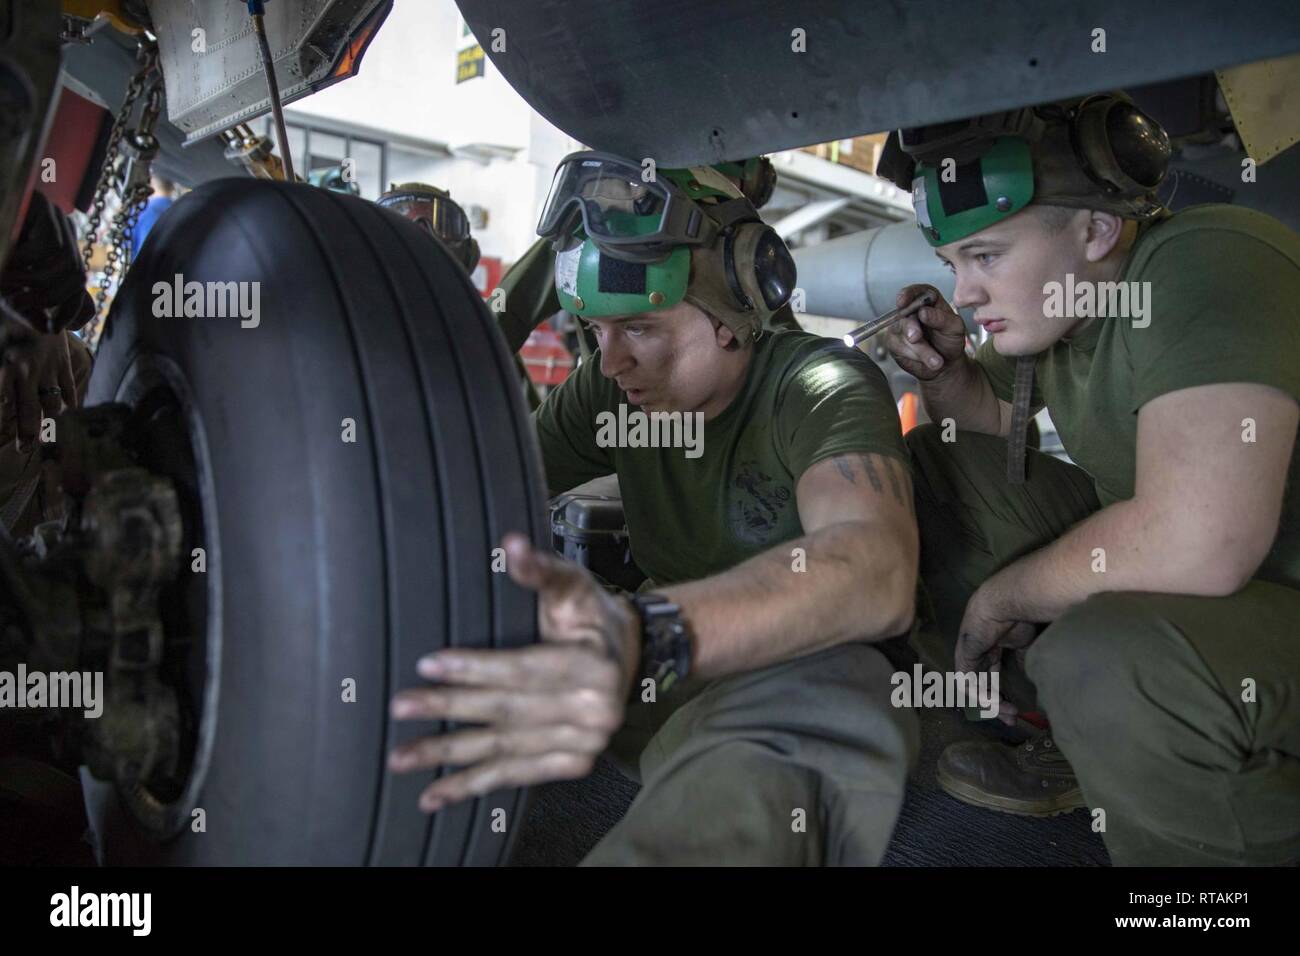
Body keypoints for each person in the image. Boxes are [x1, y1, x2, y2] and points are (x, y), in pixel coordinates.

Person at [387, 152, 920, 865]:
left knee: (799, 731)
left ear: (730, 314)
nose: (610, 362)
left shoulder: (819, 384)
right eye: (596, 330)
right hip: (655, 659)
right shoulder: (611, 389)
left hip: (803, 665)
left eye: (639, 329)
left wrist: (647, 632)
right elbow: (483, 492)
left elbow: (877, 570)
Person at [877, 93, 1300, 865]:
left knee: (1102, 659)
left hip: (1267, 600)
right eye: (954, 265)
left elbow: (1200, 542)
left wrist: (1001, 598)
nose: (965, 293)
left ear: (1097, 229)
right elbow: (985, 429)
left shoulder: (1208, 256)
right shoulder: (1066, 317)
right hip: (1220, 608)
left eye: (988, 257)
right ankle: (1088, 743)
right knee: (932, 475)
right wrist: (942, 371)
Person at [129, 174, 175, 259]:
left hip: (144, 268)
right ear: (172, 187)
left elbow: (127, 246)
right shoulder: (182, 208)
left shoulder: (137, 211)